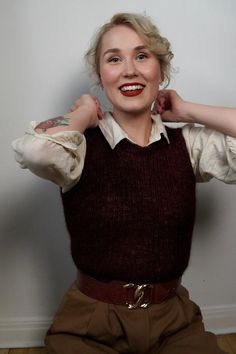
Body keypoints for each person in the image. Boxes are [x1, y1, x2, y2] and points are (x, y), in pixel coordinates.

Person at [12, 12, 236, 354]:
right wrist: (83, 113)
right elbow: (35, 149)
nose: (129, 69)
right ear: (101, 77)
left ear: (160, 71)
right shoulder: (79, 145)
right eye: (114, 59)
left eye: (142, 56)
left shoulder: (188, 146)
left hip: (172, 322)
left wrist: (188, 110)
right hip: (88, 325)